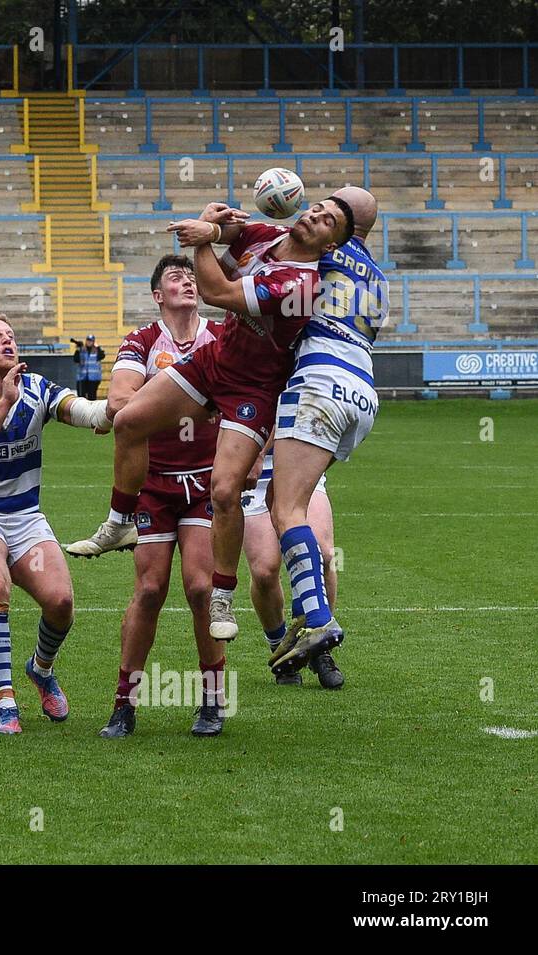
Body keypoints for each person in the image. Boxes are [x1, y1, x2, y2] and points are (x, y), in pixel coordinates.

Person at [75, 197, 354, 649]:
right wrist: (213, 223)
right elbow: (226, 238)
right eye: (316, 208)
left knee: (224, 491)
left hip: (254, 388)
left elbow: (217, 293)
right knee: (128, 422)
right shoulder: (271, 236)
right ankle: (119, 521)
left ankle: (222, 596)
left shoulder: (303, 285)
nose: (313, 216)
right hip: (212, 361)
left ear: (332, 244)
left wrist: (203, 235)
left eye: (327, 221)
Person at [227, 185, 387, 676]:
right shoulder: (378, 278)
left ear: (340, 231)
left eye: (327, 208)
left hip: (318, 380)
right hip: (362, 394)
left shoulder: (323, 255)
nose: (314, 212)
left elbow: (270, 263)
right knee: (292, 503)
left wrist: (227, 233)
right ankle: (305, 630)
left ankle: (318, 620)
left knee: (287, 507)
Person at [66, 257, 228, 738]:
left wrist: (157, 398)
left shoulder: (219, 337)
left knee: (201, 590)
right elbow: (118, 402)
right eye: (176, 278)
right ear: (158, 295)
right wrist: (199, 396)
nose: (187, 282)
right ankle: (124, 704)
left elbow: (241, 396)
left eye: (192, 277)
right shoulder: (140, 340)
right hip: (153, 483)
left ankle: (213, 701)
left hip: (205, 481)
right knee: (150, 590)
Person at [0, 313, 111, 734]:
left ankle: (41, 669)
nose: (8, 341)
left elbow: (83, 411)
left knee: (61, 603)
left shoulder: (38, 389)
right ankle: (6, 704)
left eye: (11, 335)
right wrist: (5, 403)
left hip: (24, 517)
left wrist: (116, 408)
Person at [241, 443, 340, 687]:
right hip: (252, 469)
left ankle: (319, 646)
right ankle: (282, 651)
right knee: (264, 571)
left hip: (299, 461)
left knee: (325, 555)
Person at [69, 335, 104, 400]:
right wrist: (77, 350)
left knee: (92, 397)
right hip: (82, 377)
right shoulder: (82, 350)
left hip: (93, 378)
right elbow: (76, 360)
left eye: (90, 341)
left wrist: (98, 347)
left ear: (93, 342)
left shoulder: (96, 350)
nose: (89, 342)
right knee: (81, 397)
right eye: (88, 340)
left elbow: (101, 356)